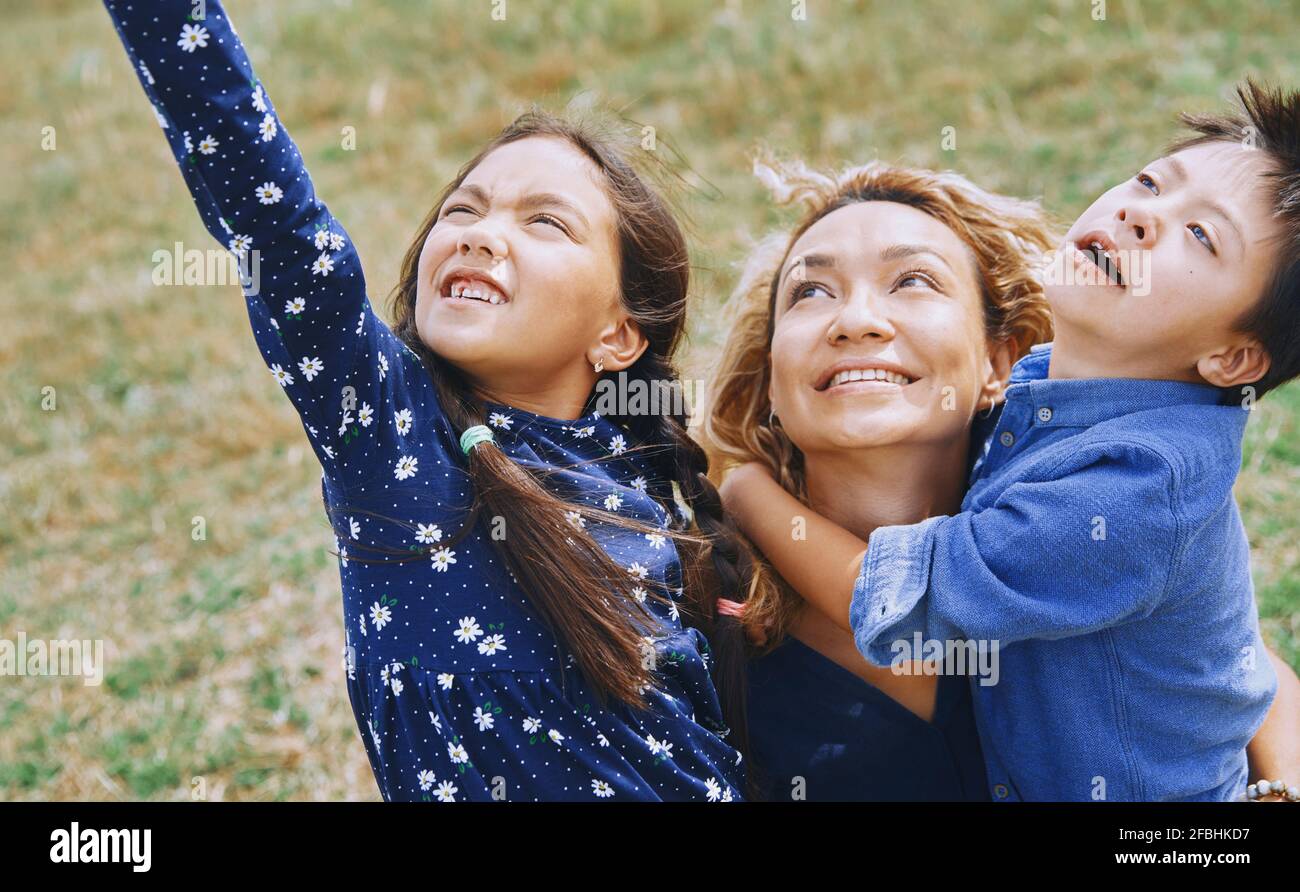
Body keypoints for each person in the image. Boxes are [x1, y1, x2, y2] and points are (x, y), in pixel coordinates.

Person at [102, 0, 757, 801]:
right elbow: (273, 220)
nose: (481, 234)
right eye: (463, 209)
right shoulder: (391, 435)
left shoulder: (646, 486)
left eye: (546, 222)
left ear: (618, 336)